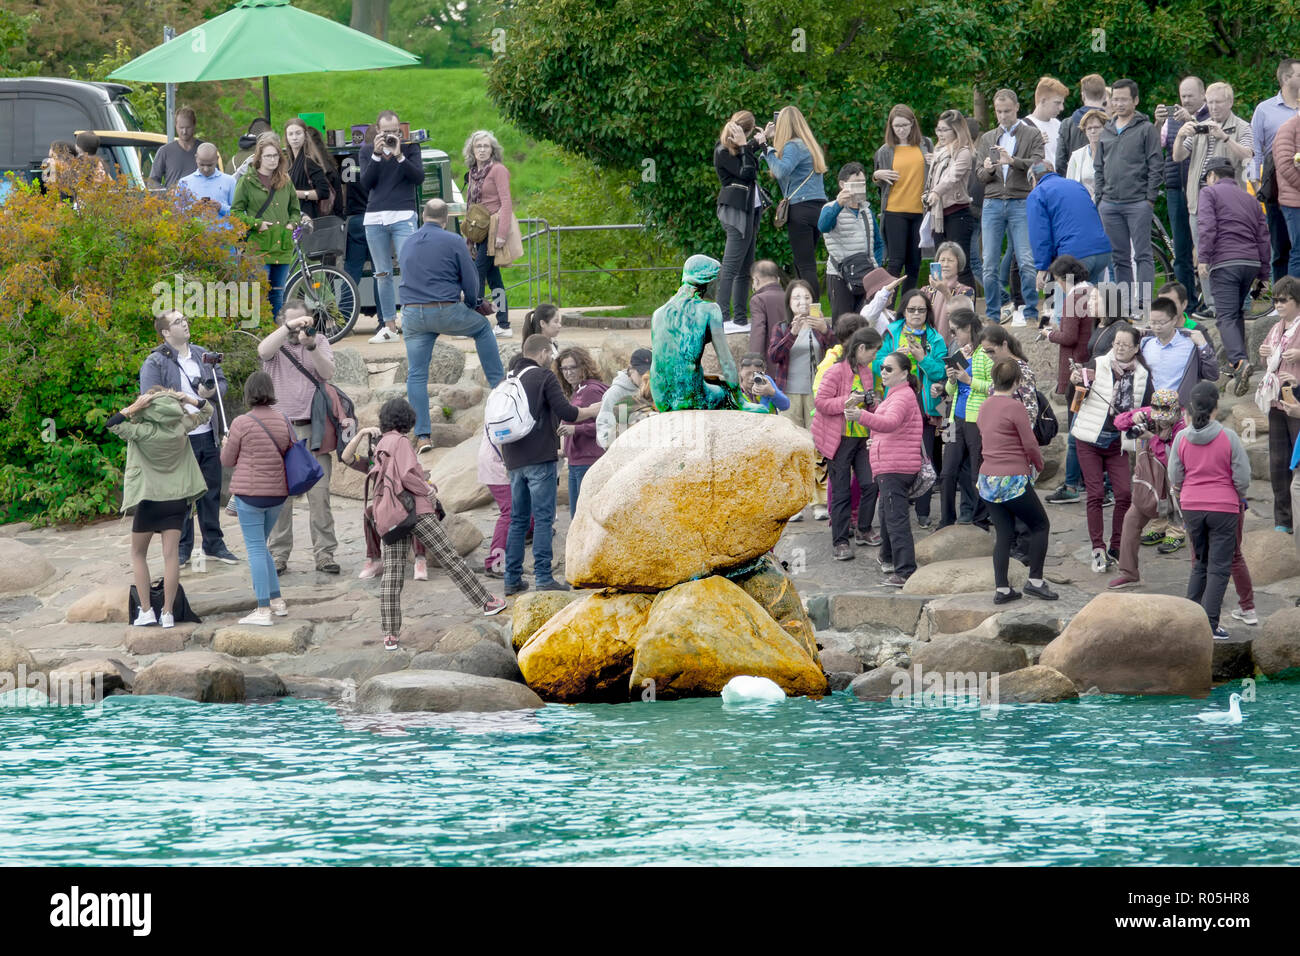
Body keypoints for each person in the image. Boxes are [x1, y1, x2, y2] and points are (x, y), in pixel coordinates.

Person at [373, 399, 506, 649]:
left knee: (392, 573)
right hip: (415, 509)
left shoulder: (381, 444)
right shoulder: (401, 442)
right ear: (406, 419)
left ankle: (390, 633)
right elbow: (407, 475)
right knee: (449, 557)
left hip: (391, 514)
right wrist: (428, 490)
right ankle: (485, 602)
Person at [399, 198, 507, 452]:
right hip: (444, 309)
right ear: (446, 220)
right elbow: (470, 282)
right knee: (481, 329)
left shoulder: (408, 241)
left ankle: (423, 435)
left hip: (412, 314)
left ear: (422, 216)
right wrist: (474, 303)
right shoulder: (454, 241)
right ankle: (501, 387)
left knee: (416, 374)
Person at [107, 387, 213, 628]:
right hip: (176, 501)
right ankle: (167, 613)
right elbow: (208, 411)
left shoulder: (141, 431)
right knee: (171, 556)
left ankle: (146, 611)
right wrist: (186, 398)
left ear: (148, 406)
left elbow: (112, 424)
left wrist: (133, 408)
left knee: (137, 554)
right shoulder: (181, 426)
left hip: (149, 500)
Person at [502, 335, 601, 595]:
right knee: (544, 518)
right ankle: (543, 576)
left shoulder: (510, 378)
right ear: (544, 352)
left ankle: (511, 579)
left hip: (513, 459)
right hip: (539, 459)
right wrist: (594, 410)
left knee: (518, 520)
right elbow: (568, 413)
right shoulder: (544, 377)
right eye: (551, 354)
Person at [139, 310, 236, 567]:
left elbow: (223, 383)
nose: (185, 324)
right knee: (182, 496)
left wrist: (211, 391)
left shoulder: (202, 353)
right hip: (179, 438)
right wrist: (177, 402)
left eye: (185, 319)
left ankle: (214, 543)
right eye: (178, 322)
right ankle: (183, 549)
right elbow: (149, 399)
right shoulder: (155, 362)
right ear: (166, 333)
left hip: (208, 434)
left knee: (211, 492)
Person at [259, 299, 339, 574]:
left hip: (313, 428)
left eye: (301, 321)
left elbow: (328, 372)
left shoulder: (320, 341)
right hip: (281, 428)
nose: (296, 328)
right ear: (283, 321)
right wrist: (287, 327)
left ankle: (325, 554)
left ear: (311, 320)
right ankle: (278, 556)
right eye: (291, 322)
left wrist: (312, 345)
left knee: (320, 496)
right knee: (281, 498)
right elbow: (262, 349)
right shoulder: (276, 344)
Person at [1168, 382, 1252, 638]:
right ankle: (1209, 625)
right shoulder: (1229, 437)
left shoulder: (1181, 437)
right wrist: (1236, 495)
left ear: (1190, 409)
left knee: (1199, 565)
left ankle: (1189, 622)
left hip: (1192, 506)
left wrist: (1187, 492)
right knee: (1219, 567)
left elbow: (1175, 475)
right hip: (1224, 508)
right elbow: (1243, 477)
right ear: (1215, 409)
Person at [1070, 325, 1153, 572]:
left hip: (1118, 442)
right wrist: (1076, 384)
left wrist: (1142, 421)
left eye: (1125, 345)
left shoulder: (1142, 374)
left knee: (1124, 494)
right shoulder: (1097, 364)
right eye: (1116, 343)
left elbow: (1147, 407)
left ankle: (1116, 545)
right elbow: (1074, 402)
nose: (1119, 348)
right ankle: (1098, 548)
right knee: (1095, 493)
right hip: (1089, 439)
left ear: (1136, 348)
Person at [977, 359, 1057, 603]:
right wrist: (1039, 464)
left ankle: (1002, 589)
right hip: (1011, 478)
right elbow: (1030, 442)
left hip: (987, 478)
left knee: (1003, 533)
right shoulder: (1015, 407)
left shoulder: (985, 405)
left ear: (993, 379)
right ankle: (1035, 581)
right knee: (1040, 525)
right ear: (1017, 382)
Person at [219, 372, 295, 624]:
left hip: (250, 496)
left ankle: (263, 609)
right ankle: (277, 600)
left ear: (248, 393)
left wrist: (225, 444)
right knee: (262, 547)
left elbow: (227, 461)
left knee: (255, 549)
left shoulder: (242, 422)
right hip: (277, 495)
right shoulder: (283, 420)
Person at [1197, 156, 1270, 396]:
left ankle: (1239, 362)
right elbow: (1263, 235)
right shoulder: (1250, 198)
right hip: (1250, 262)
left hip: (1225, 262)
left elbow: (1207, 226)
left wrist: (1204, 258)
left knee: (1225, 315)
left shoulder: (1210, 193)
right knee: (1236, 312)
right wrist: (1263, 270)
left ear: (1212, 176)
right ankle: (1237, 361)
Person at [875, 289, 948, 527]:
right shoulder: (892, 332)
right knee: (895, 455)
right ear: (903, 311)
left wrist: (922, 359)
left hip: (925, 406)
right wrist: (894, 360)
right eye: (911, 309)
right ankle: (897, 506)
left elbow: (942, 371)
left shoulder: (935, 338)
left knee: (924, 456)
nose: (916, 314)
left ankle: (924, 512)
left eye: (921, 310)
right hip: (895, 403)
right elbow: (877, 365)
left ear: (928, 313)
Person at [1093, 79, 1162, 314]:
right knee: (1119, 257)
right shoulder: (1107, 130)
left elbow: (1156, 164)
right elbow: (1098, 167)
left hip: (1138, 203)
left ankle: (1144, 304)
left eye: (1124, 99)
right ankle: (1124, 305)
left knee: (1143, 254)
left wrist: (1149, 199)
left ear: (1135, 101)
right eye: (1115, 99)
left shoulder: (1146, 129)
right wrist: (1100, 199)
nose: (1119, 103)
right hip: (1109, 204)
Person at [1106, 388, 1187, 589]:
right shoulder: (1150, 413)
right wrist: (1134, 417)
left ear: (1176, 411)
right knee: (1130, 522)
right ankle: (1128, 573)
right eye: (1157, 417)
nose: (1161, 422)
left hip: (1176, 487)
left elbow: (1172, 459)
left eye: (1165, 418)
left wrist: (1152, 437)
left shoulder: (1183, 426)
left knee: (1196, 532)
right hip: (1148, 483)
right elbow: (1119, 423)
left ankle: (1202, 580)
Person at [976, 90, 1044, 326]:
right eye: (998, 112)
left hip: (1021, 200)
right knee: (989, 262)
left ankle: (1031, 312)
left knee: (1026, 259)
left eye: (1007, 111)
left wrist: (1012, 161)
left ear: (1016, 108)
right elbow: (980, 175)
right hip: (993, 201)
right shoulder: (987, 138)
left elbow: (1039, 164)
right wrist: (989, 169)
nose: (1003, 116)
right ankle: (993, 315)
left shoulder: (1032, 134)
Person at [814, 327, 883, 559]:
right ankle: (840, 541)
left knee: (871, 484)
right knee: (841, 492)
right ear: (861, 348)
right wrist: (848, 400)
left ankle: (863, 528)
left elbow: (870, 405)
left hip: (862, 437)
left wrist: (874, 403)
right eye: (873, 352)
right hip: (838, 440)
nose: (875, 357)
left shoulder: (867, 372)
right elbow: (821, 403)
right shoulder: (834, 372)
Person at [857, 351, 924, 586]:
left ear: (904, 373)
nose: (883, 372)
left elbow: (890, 423)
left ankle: (905, 570)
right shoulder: (895, 395)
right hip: (892, 465)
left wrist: (861, 415)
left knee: (895, 518)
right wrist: (874, 441)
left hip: (895, 468)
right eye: (882, 368)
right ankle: (887, 557)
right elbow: (894, 430)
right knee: (887, 514)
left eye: (889, 369)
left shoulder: (902, 396)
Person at [360, 110, 424, 343]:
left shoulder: (410, 148)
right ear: (377, 131)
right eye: (386, 131)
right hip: (375, 217)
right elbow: (367, 183)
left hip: (403, 214)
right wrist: (377, 155)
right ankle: (388, 325)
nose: (390, 135)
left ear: (400, 130)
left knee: (409, 267)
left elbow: (418, 178)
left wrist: (399, 156)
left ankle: (410, 319)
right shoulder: (367, 151)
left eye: (395, 131)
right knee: (382, 273)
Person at [1040, 255, 1098, 504]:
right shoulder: (1093, 291)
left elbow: (1070, 337)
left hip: (1076, 371)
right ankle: (1091, 480)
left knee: (1076, 429)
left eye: (1057, 281)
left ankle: (1073, 483)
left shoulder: (1074, 296)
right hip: (1091, 367)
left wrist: (1049, 333)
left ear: (1064, 278)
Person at [230, 132, 307, 321]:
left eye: (275, 156)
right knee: (258, 295)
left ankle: (277, 337)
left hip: (282, 246)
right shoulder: (247, 182)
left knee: (278, 295)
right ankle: (259, 336)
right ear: (259, 157)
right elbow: (236, 212)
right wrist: (257, 224)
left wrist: (291, 224)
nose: (272, 160)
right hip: (259, 246)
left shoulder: (285, 181)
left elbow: (295, 210)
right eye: (268, 156)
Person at [755, 106, 828, 298]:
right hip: (818, 207)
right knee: (804, 262)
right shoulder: (809, 144)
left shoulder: (793, 145)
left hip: (801, 208)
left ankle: (812, 310)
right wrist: (769, 140)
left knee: (805, 265)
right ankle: (806, 307)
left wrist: (765, 148)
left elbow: (780, 170)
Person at [1155, 77, 1210, 309]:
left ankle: (1213, 302)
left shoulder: (1212, 115)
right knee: (1181, 250)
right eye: (1182, 95)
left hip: (1205, 190)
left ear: (1203, 94)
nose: (1185, 100)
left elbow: (1215, 139)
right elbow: (1156, 147)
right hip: (1176, 190)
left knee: (1208, 247)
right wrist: (1158, 124)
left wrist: (1194, 121)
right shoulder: (1171, 121)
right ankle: (1188, 305)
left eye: (1190, 95)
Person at [874, 105, 933, 297]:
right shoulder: (885, 151)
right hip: (894, 211)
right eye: (896, 126)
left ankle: (908, 306)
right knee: (895, 262)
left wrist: (935, 163)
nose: (901, 129)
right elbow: (878, 185)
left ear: (913, 124)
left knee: (914, 263)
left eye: (905, 125)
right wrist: (877, 175)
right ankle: (887, 305)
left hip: (919, 212)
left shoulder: (926, 144)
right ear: (890, 127)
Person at [1027, 162, 1113, 292]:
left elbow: (1039, 235)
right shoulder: (1075, 184)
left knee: (1067, 308)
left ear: (1033, 179)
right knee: (1093, 305)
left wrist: (1042, 268)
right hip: (1102, 250)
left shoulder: (1037, 194)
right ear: (1052, 170)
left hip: (1074, 256)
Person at [1251, 59, 1300, 283]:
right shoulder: (1265, 109)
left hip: (1296, 187)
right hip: (1275, 185)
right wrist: (1254, 180)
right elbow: (1256, 150)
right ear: (1285, 78)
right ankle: (1280, 301)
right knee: (1281, 246)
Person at [714, 111, 764, 332]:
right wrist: (746, 146)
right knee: (731, 267)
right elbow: (748, 172)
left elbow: (748, 160)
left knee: (745, 268)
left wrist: (757, 143)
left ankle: (740, 319)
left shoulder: (737, 149)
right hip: (735, 212)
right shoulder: (722, 150)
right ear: (748, 129)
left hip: (749, 211)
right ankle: (723, 318)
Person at [463, 130, 517, 336]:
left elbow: (506, 202)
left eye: (486, 146)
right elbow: (471, 205)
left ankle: (473, 322)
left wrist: (502, 234)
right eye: (479, 146)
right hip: (478, 230)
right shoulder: (473, 173)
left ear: (493, 149)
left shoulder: (498, 170)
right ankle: (503, 323)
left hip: (493, 230)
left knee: (476, 274)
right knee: (494, 279)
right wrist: (468, 237)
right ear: (472, 150)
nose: (483, 150)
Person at [1258, 276, 1300, 531]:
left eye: (1283, 300)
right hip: (1276, 398)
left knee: (1297, 459)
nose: (1279, 305)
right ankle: (1283, 519)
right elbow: (1268, 360)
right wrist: (1265, 354)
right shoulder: (1276, 328)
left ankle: (1297, 515)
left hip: (1297, 397)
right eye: (1275, 300)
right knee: (1277, 461)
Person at [938, 307, 984, 528]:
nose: (953, 336)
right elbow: (950, 389)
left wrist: (968, 380)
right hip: (952, 416)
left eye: (955, 331)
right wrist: (952, 379)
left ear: (968, 328)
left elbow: (994, 387)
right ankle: (946, 519)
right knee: (947, 472)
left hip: (976, 419)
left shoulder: (985, 352)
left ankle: (980, 518)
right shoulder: (958, 351)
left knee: (977, 471)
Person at [767, 279, 834, 428]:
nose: (802, 301)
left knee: (816, 438)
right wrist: (792, 334)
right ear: (789, 302)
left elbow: (839, 351)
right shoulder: (782, 328)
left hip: (817, 393)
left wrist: (825, 330)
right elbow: (774, 356)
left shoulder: (820, 326)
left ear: (813, 301)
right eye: (797, 297)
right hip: (788, 394)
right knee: (792, 438)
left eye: (807, 297)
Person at [925, 111, 977, 289]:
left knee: (960, 265)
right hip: (938, 215)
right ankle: (937, 306)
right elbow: (932, 179)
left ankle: (967, 310)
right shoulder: (939, 152)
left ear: (956, 130)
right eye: (938, 129)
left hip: (958, 214)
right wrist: (928, 194)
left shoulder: (964, 152)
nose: (940, 134)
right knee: (938, 266)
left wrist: (936, 192)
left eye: (945, 130)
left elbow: (951, 177)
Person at [819, 162, 877, 318]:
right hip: (840, 275)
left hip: (865, 274)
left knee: (864, 322)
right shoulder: (830, 208)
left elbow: (877, 243)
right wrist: (839, 203)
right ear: (842, 184)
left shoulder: (867, 211)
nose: (860, 187)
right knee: (842, 324)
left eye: (863, 183)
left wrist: (875, 266)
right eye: (855, 184)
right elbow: (823, 226)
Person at [556, 346, 608, 516]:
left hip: (589, 461)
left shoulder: (591, 390)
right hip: (575, 462)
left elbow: (607, 424)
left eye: (573, 367)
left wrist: (575, 429)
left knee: (583, 517)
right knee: (577, 517)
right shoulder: (577, 390)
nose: (568, 373)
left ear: (584, 366)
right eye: (564, 368)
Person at [1139, 295, 1218, 404]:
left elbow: (1212, 374)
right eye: (1152, 322)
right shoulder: (1145, 343)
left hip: (1180, 410)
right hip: (1150, 410)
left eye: (1162, 323)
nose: (1157, 327)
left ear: (1174, 320)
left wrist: (1203, 346)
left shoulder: (1190, 344)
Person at [978, 325, 1037, 422]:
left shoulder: (1022, 370)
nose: (989, 356)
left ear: (1004, 344)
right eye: (986, 352)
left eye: (991, 351)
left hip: (1013, 432)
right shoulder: (1000, 366)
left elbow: (1030, 412)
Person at [596, 348, 652, 449]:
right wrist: (613, 448)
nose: (644, 377)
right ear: (630, 369)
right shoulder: (615, 393)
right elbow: (603, 428)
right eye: (641, 373)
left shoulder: (653, 389)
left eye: (648, 374)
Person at [1056, 74, 1109, 177]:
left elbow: (1059, 162)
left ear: (1083, 95)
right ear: (1104, 96)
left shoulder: (1067, 124)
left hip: (1074, 184)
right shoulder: (1111, 124)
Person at [477, 423, 511, 578]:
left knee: (519, 507)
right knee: (509, 512)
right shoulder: (505, 402)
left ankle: (529, 531)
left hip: (495, 461)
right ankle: (495, 563)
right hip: (498, 465)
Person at [921, 242, 975, 338]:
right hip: (928, 345)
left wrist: (945, 291)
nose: (945, 264)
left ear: (958, 263)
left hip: (954, 345)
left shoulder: (966, 291)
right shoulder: (925, 291)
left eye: (950, 260)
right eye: (942, 260)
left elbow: (963, 319)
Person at [284, 117, 333, 220]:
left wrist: (296, 194)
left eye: (298, 133)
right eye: (290, 134)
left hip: (308, 217)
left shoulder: (309, 161)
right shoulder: (289, 162)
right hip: (293, 216)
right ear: (286, 137)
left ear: (305, 135)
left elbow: (324, 192)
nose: (294, 138)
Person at [148, 107, 205, 189]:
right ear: (175, 126)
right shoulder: (165, 151)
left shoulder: (205, 150)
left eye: (188, 127)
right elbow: (152, 181)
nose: (184, 132)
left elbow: (215, 178)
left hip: (200, 200)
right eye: (181, 128)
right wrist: (165, 194)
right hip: (172, 200)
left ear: (194, 125)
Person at [176, 143, 236, 217]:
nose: (206, 169)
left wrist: (221, 208)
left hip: (224, 228)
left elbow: (240, 213)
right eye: (202, 164)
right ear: (196, 158)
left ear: (217, 159)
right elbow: (176, 213)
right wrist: (192, 209)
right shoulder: (184, 182)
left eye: (210, 165)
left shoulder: (230, 181)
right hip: (194, 228)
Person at [1276, 110, 1300, 278]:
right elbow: (1284, 165)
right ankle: (1294, 301)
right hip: (1294, 203)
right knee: (1299, 252)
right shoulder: (1288, 128)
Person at [1065, 109, 1109, 200]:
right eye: (1089, 128)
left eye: (1097, 127)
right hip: (1084, 204)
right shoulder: (1077, 156)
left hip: (1108, 205)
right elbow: (1069, 186)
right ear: (1085, 131)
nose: (1093, 131)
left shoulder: (1113, 153)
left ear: (1105, 128)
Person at [1023, 77, 1068, 165]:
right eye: (1057, 103)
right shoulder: (1023, 126)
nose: (1062, 108)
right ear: (1043, 101)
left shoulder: (1059, 125)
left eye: (1062, 103)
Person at [747, 259, 786, 355]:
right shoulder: (790, 296)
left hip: (772, 359)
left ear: (756, 280)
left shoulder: (758, 299)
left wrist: (753, 359)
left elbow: (758, 331)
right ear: (778, 279)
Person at [859, 267, 906, 336]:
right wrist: (886, 290)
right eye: (891, 288)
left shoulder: (887, 312)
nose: (893, 291)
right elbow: (871, 314)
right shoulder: (867, 311)